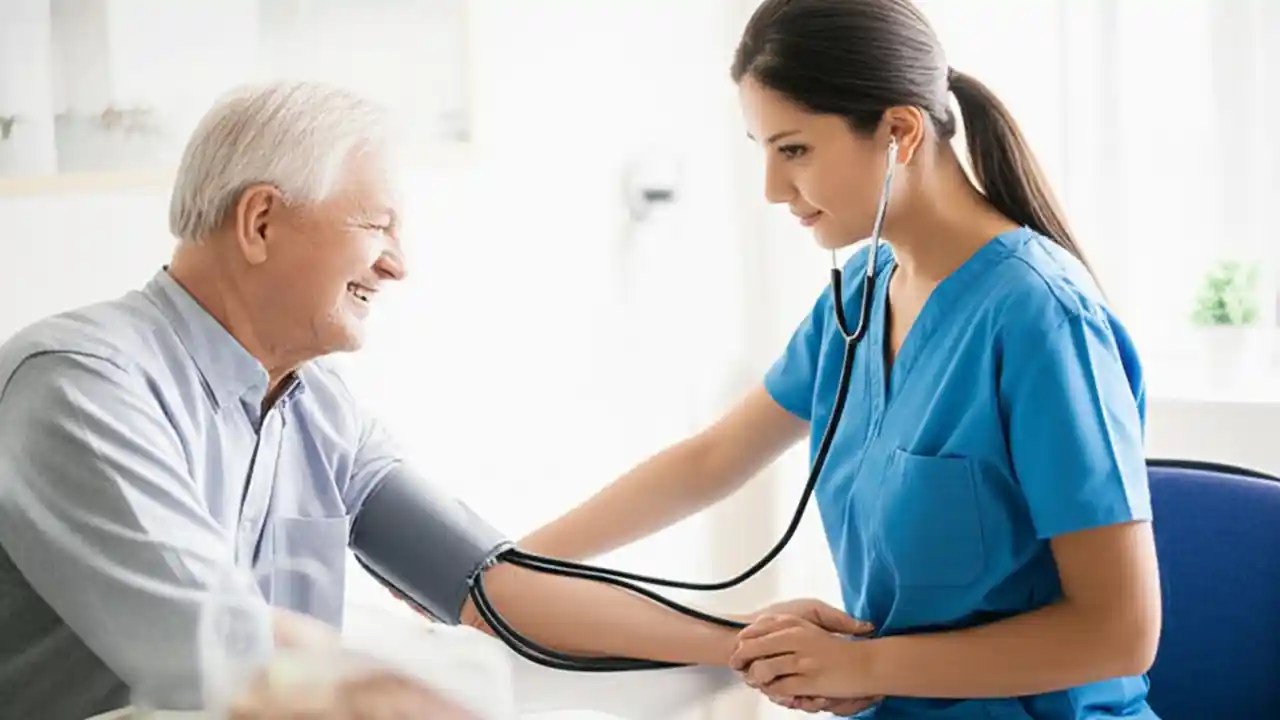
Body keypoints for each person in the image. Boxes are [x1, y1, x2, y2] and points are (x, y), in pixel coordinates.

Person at [0, 81, 848, 720]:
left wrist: (744, 645)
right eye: (377, 227)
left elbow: (495, 584)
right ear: (260, 222)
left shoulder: (316, 408)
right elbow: (208, 649)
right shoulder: (80, 384)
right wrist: (410, 686)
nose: (399, 265)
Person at [519, 0, 1163, 717]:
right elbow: (711, 460)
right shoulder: (862, 293)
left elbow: (1119, 634)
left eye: (793, 150)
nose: (771, 188)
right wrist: (512, 569)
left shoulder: (1040, 316)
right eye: (762, 150)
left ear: (899, 132)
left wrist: (865, 664)